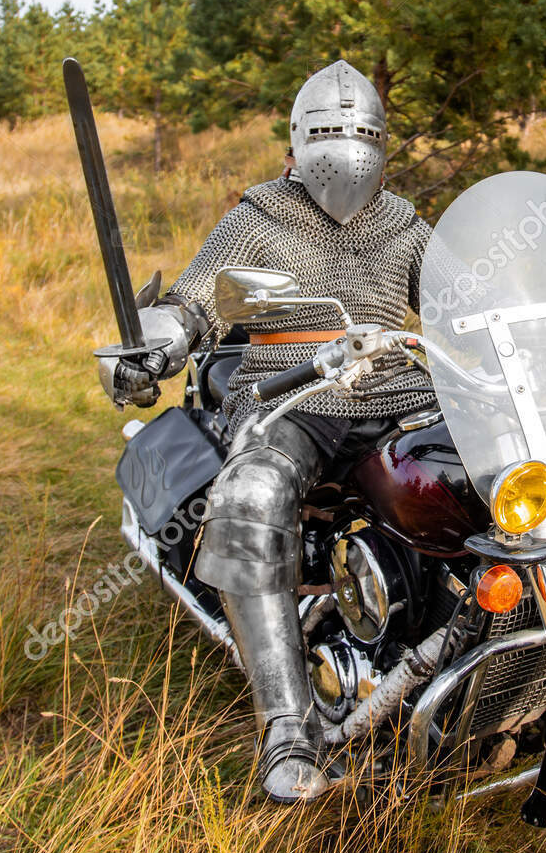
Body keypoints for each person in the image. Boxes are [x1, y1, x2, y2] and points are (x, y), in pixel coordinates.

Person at [98, 59, 433, 802]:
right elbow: (193, 302)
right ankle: (288, 725)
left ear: (382, 145)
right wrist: (154, 344)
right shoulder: (260, 217)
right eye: (332, 134)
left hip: (399, 391)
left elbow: (459, 297)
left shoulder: (404, 225)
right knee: (251, 494)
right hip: (290, 395)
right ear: (297, 144)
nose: (347, 152)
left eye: (361, 135)